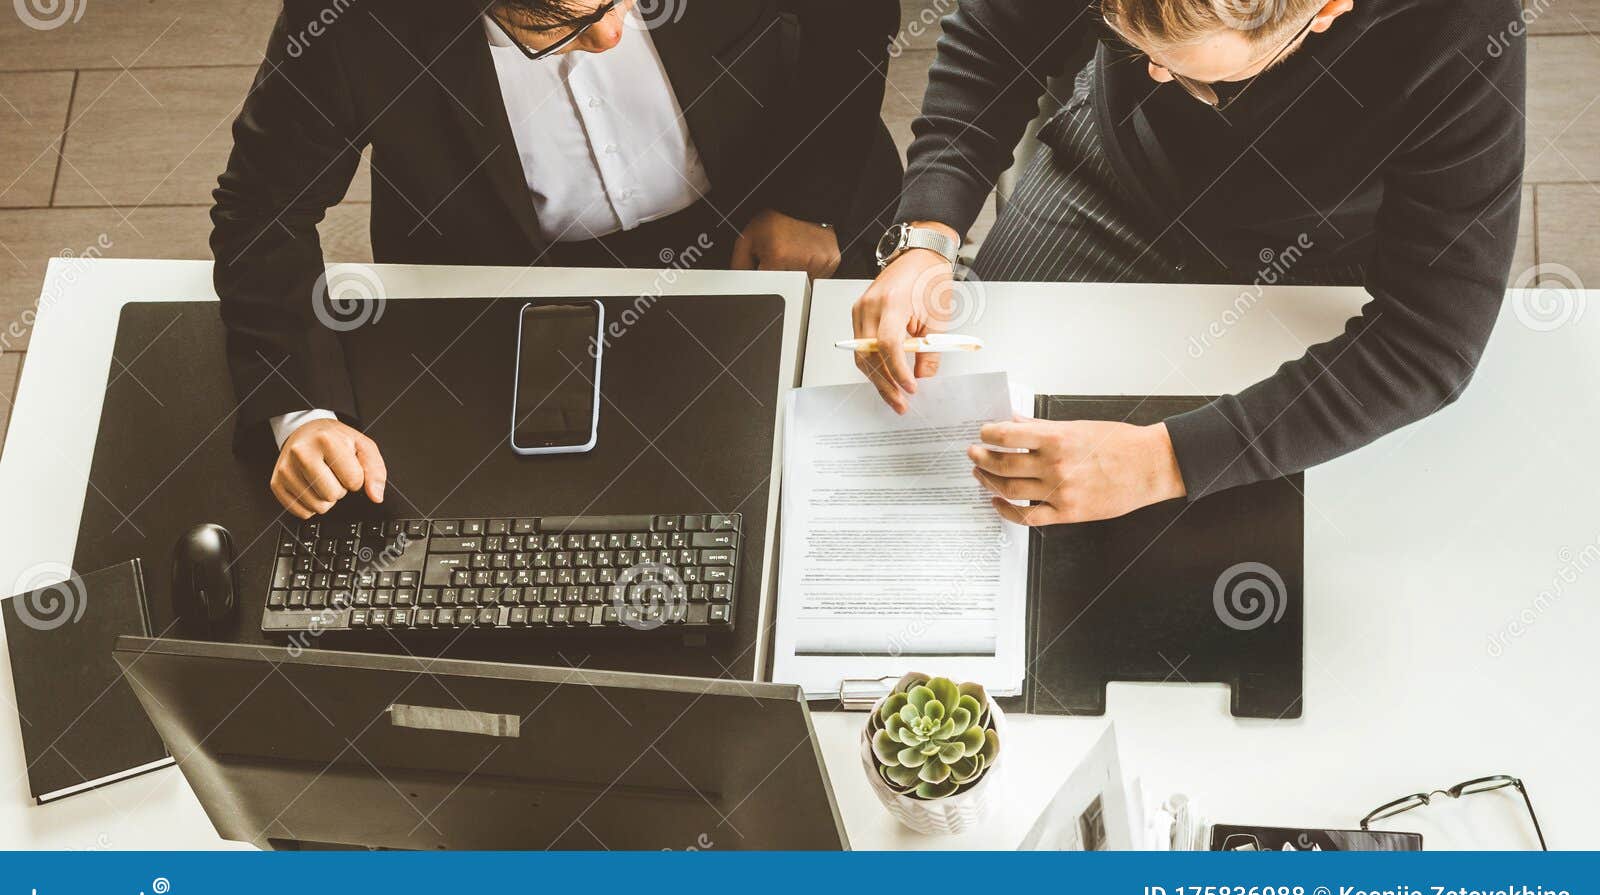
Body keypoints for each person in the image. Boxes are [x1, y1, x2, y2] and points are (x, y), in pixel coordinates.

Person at [213, 0, 902, 518]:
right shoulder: (352, 16)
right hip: (503, 274)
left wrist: (814, 199)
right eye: (556, 26)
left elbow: (853, 16)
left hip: (769, 211)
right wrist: (302, 413)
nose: (610, 35)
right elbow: (261, 208)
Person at [853, 0, 1525, 525]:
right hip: (1108, 179)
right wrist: (927, 236)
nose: (1155, 79)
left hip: (1316, 251)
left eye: (1202, 82)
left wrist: (1160, 462)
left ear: (1324, 13)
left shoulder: (1463, 25)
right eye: (1128, 43)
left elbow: (1429, 340)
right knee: (952, 453)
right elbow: (996, 35)